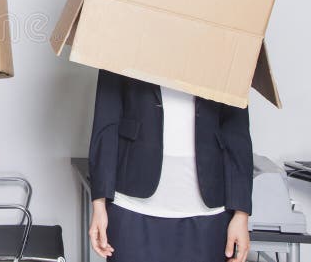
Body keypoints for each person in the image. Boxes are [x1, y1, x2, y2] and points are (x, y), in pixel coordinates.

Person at [88, 70, 253, 262]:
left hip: (207, 210)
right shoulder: (120, 49)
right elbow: (106, 120)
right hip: (132, 204)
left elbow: (237, 131)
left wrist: (241, 213)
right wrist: (99, 203)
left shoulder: (230, 51)